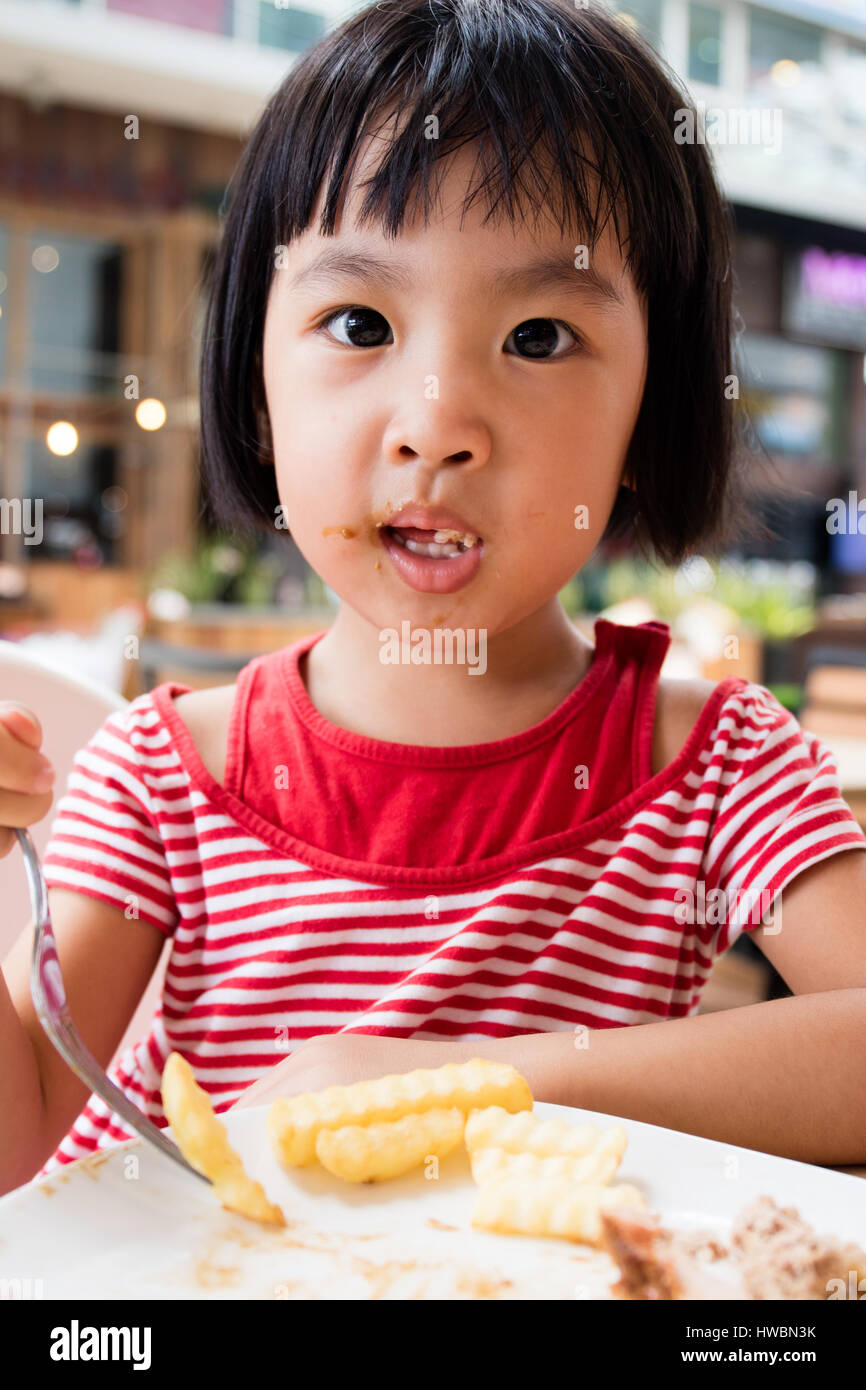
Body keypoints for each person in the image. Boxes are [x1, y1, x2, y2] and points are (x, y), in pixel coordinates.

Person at [2, 0, 865, 1194]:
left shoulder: (710, 767)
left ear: (645, 411)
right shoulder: (162, 777)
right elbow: (18, 1136)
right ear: (256, 383)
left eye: (539, 336)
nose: (436, 426)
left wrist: (477, 1080)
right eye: (358, 321)